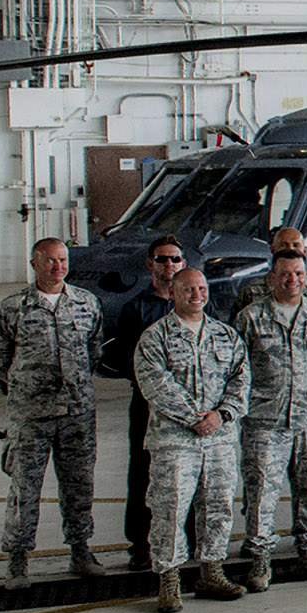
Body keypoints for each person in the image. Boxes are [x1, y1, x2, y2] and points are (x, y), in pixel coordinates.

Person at [0, 236, 109, 589]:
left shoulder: (86, 304)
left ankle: (80, 550)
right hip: (31, 415)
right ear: (34, 263)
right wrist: (20, 391)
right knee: (25, 486)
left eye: (63, 260)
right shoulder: (13, 309)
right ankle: (18, 558)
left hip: (77, 413)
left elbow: (94, 351)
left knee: (79, 484)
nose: (58, 267)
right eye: (50, 261)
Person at [135, 266, 251, 612]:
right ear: (172, 293)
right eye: (188, 289)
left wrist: (221, 414)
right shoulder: (155, 338)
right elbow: (155, 384)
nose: (197, 295)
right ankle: (169, 579)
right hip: (175, 441)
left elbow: (241, 379)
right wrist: (194, 418)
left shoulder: (226, 336)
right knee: (170, 509)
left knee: (217, 506)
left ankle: (211, 571)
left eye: (201, 288)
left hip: (219, 439)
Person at [232, 250, 307, 581]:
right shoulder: (250, 318)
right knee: (262, 492)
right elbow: (238, 369)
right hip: (266, 421)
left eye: (299, 274)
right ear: (272, 277)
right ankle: (260, 558)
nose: (293, 279)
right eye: (285, 274)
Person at [105, 235, 186, 571]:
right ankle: (141, 544)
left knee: (188, 474)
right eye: (162, 259)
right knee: (143, 474)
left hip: (189, 409)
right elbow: (129, 361)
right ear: (149, 264)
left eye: (175, 259)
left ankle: (189, 540)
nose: (169, 265)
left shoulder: (197, 303)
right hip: (149, 406)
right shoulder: (135, 309)